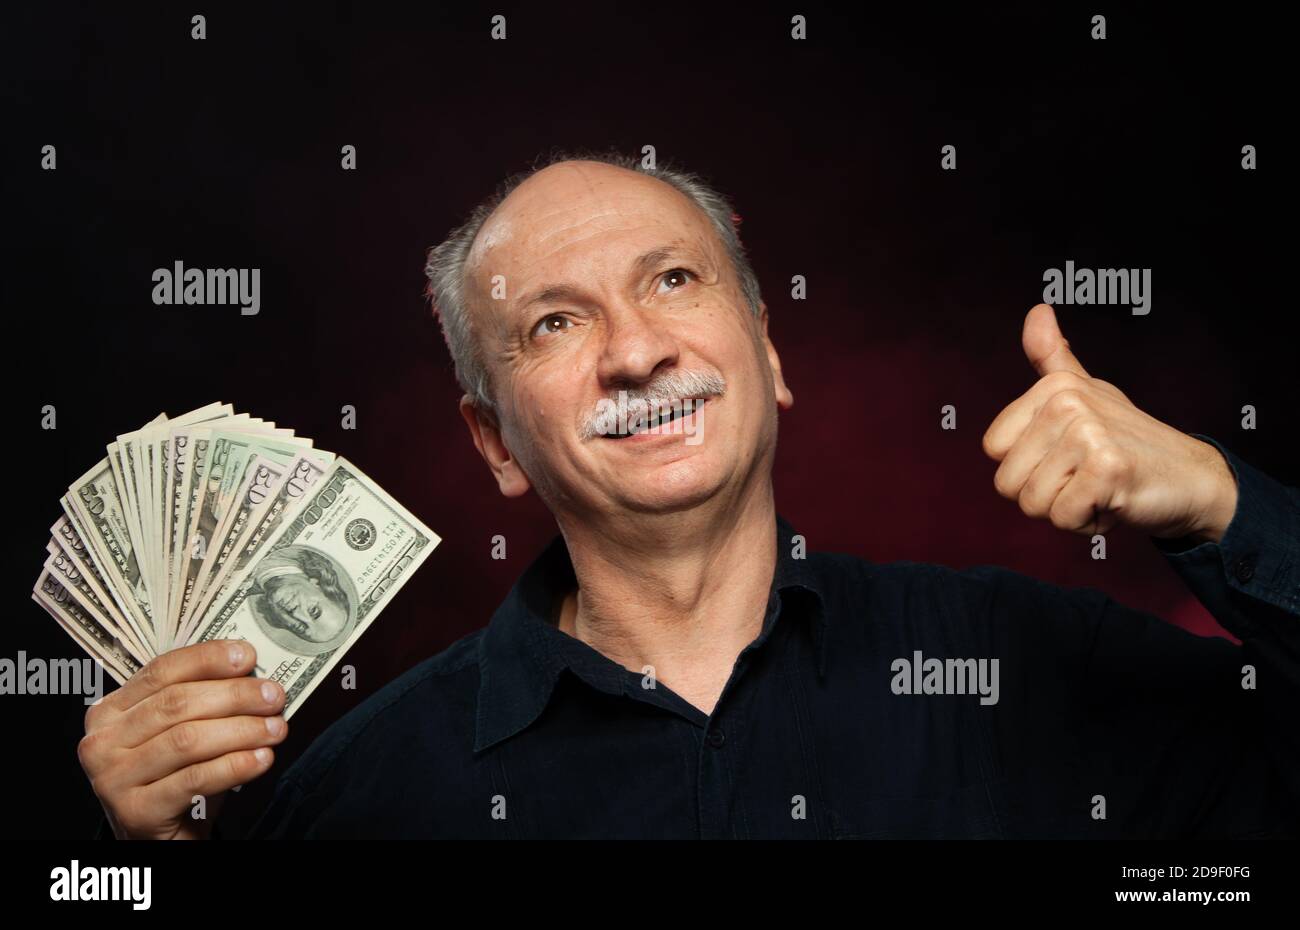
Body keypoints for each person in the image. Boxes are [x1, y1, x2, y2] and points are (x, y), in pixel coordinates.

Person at [78, 151, 1299, 839]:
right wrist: (129, 880)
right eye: (554, 321)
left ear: (765, 355)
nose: (634, 350)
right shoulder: (355, 796)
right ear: (494, 442)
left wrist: (1225, 505)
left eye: (670, 280)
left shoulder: (1030, 665)